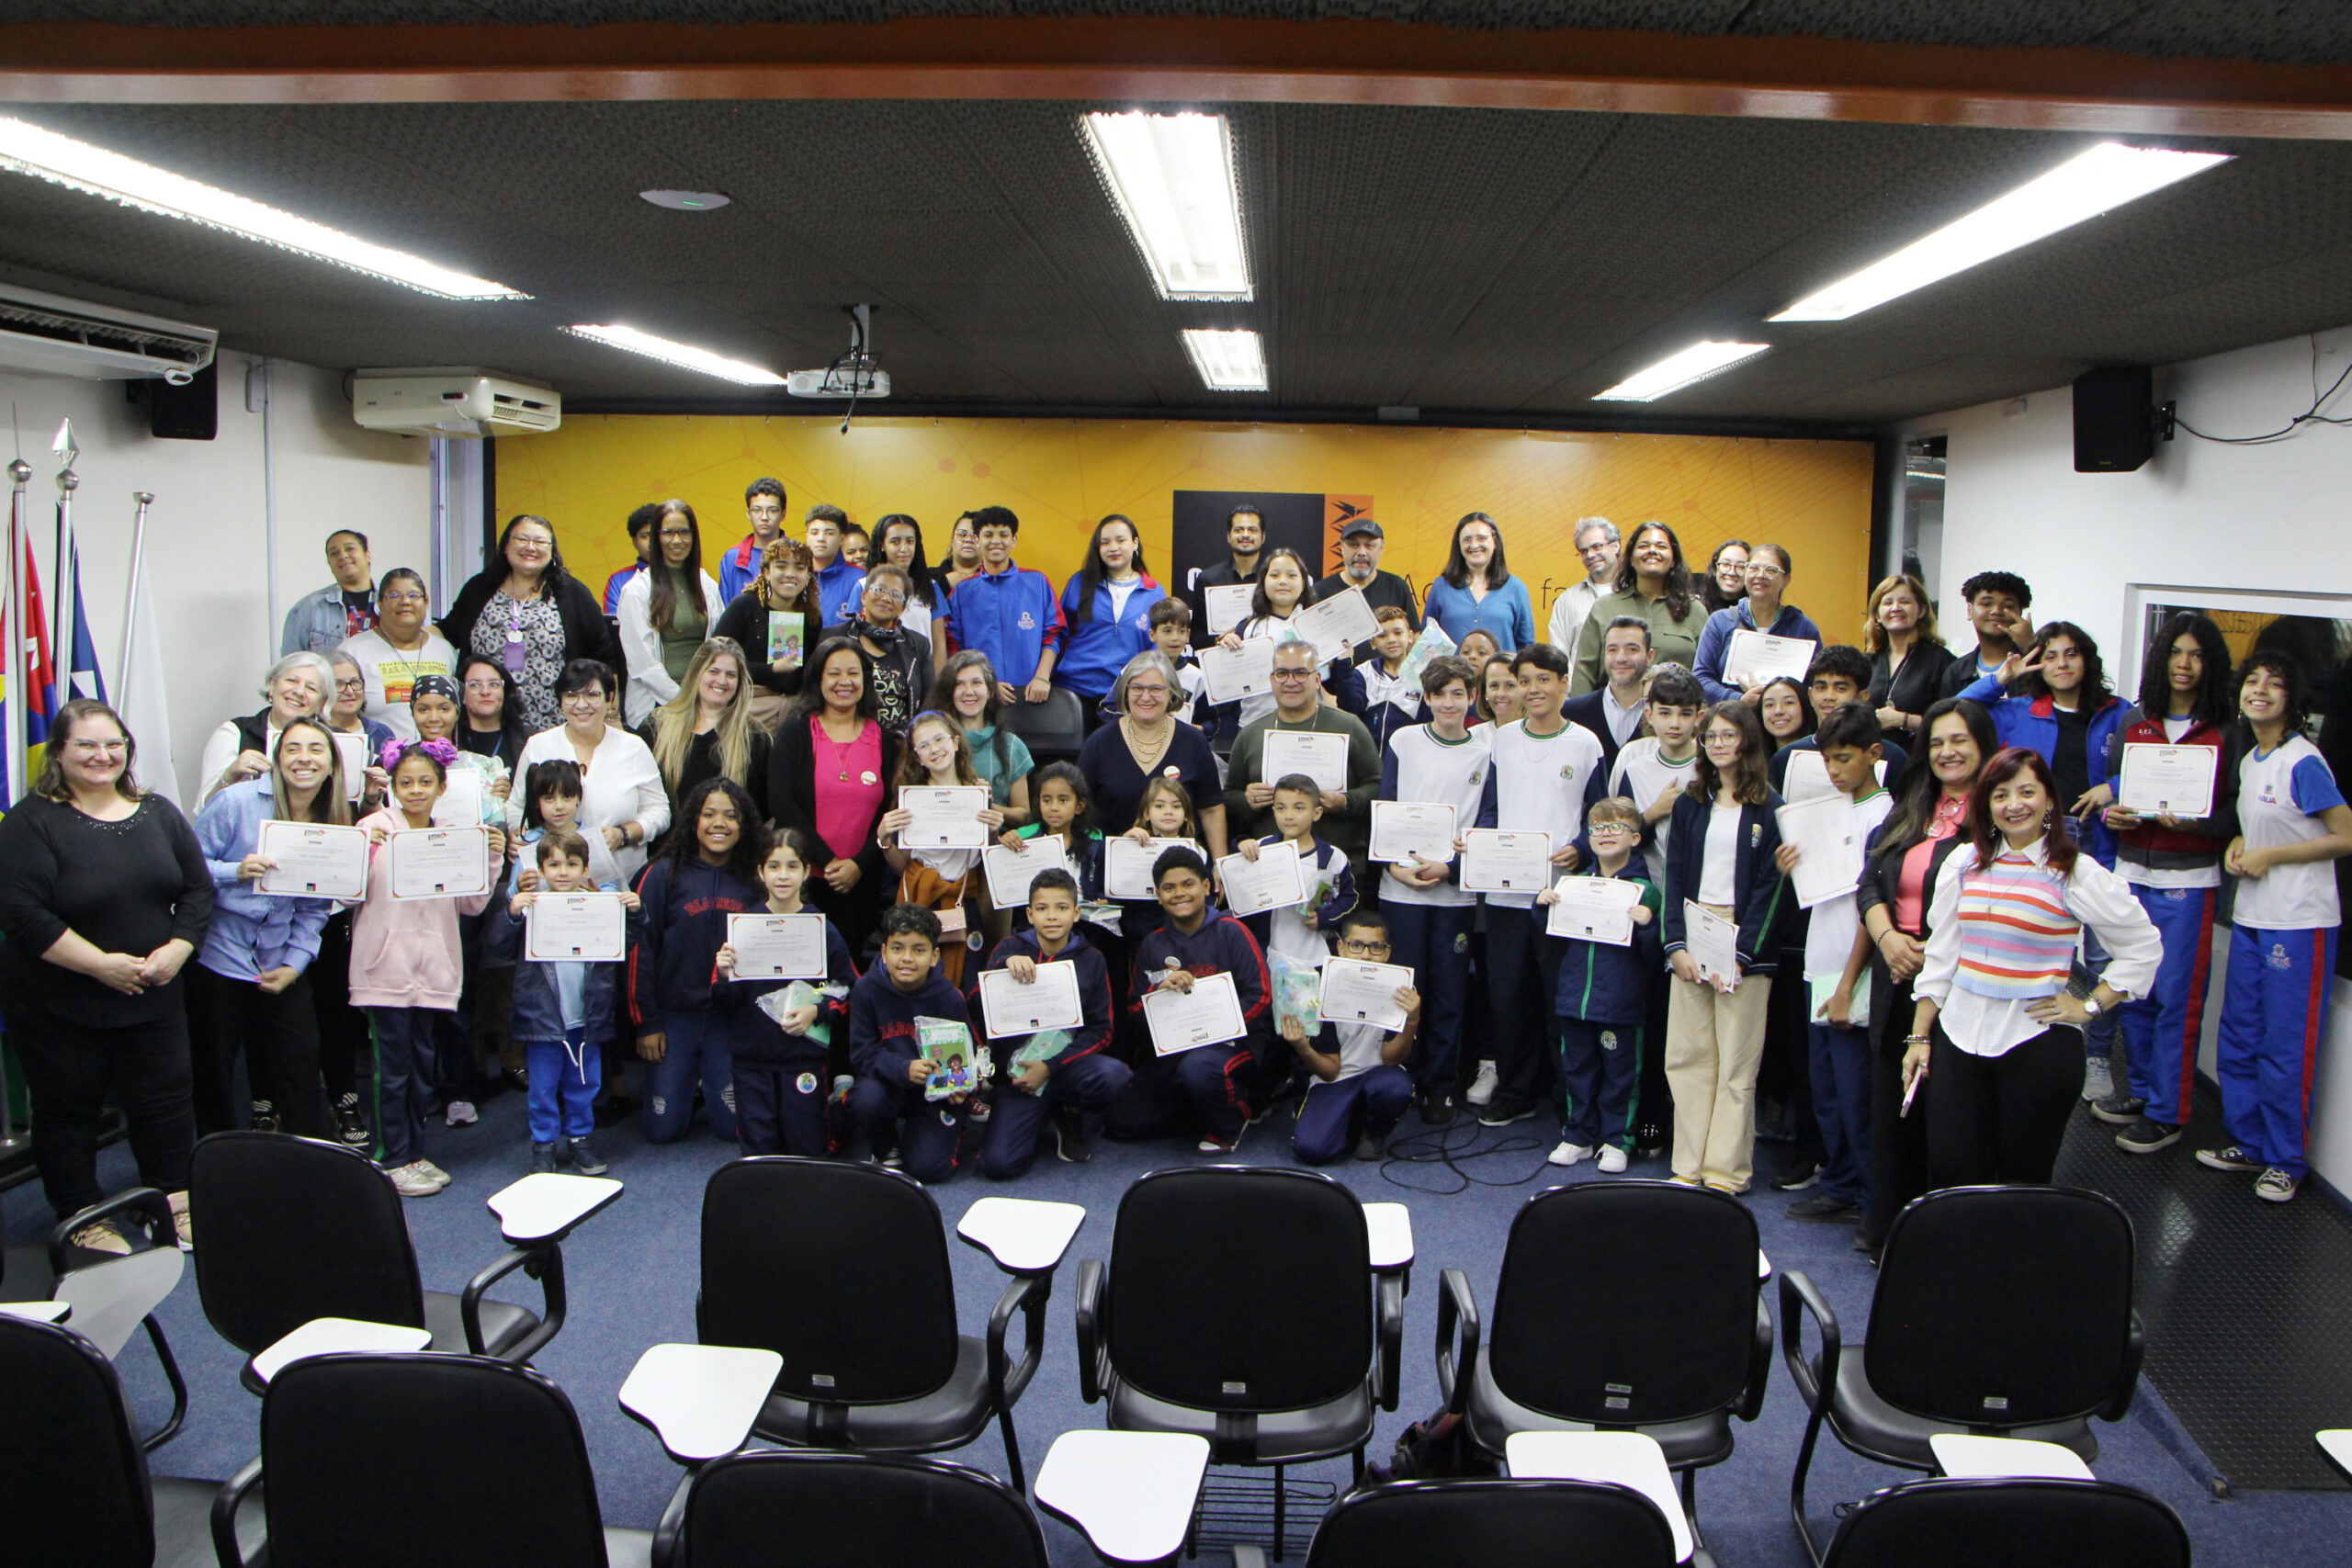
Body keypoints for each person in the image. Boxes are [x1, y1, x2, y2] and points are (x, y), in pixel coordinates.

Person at [0, 700, 209, 1249]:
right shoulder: (31, 822)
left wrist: (180, 948)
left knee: (165, 1103)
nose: (103, 755)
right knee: (68, 1110)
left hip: (154, 991)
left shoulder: (157, 812)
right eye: (87, 745)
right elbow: (22, 915)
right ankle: (82, 1216)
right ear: (60, 752)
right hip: (61, 1002)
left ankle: (171, 1202)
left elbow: (197, 889)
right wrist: (102, 967)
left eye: (113, 743)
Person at [1904, 748, 2161, 1188]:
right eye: (2001, 794)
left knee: (2024, 1181)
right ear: (1986, 804)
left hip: (2036, 1046)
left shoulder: (2074, 872)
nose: (2014, 804)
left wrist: (2089, 1007)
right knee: (1952, 1171)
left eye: (2027, 792)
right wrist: (1919, 1037)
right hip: (1959, 1039)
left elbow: (2143, 946)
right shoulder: (1964, 864)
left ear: (2048, 801)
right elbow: (1942, 957)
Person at [2202, 651, 2352, 1202]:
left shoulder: (2302, 760)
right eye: (2252, 681)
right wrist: (2242, 844)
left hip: (2299, 921)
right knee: (2239, 1033)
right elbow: (2255, 827)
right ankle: (2251, 1143)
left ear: (2294, 700)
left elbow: (2346, 834)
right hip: (2252, 916)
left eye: (2274, 684)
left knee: (2284, 1044)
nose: (2259, 690)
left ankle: (2287, 1160)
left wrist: (2277, 856)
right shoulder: (2254, 758)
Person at [2088, 611, 2239, 1150]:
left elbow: (2234, 815)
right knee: (2134, 990)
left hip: (2190, 880)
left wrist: (2199, 823)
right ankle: (2147, 1091)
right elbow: (2118, 799)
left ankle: (2170, 1111)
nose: (2185, 664)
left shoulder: (2226, 729)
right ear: (2160, 660)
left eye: (2197, 655)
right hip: (2132, 870)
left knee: (2176, 996)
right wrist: (2116, 817)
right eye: (2176, 652)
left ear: (2211, 664)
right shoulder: (2137, 722)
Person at [1854, 697, 1996, 1257]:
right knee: (1892, 1106)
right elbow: (1869, 882)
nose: (1946, 752)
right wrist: (1888, 939)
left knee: (1947, 1114)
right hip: (1896, 968)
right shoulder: (1914, 803)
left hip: (1958, 981)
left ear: (1983, 745)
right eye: (1937, 742)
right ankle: (1890, 1226)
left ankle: (1942, 1240)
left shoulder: (1995, 812)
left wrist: (1929, 953)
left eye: (1959, 740)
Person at [350, 738, 505, 1198]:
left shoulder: (454, 835)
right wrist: (366, 850)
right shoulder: (375, 827)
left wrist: (492, 856)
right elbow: (345, 896)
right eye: (406, 783)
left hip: (433, 972)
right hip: (384, 972)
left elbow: (474, 904)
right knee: (390, 1069)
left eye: (425, 782)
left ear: (441, 787)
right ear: (393, 786)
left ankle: (415, 1154)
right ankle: (389, 1159)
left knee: (421, 1067)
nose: (415, 790)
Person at [1469, 641, 1609, 1129]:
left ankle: (1568, 1097)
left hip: (1563, 896)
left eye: (1543, 680)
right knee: (1508, 999)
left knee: (1559, 1001)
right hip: (1506, 893)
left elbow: (1600, 817)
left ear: (1564, 684)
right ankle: (1515, 1092)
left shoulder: (1586, 743)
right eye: (1524, 681)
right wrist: (1480, 844)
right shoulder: (1501, 740)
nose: (1533, 690)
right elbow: (1490, 808)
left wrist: (1583, 850)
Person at [1659, 701, 1790, 1193]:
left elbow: (1771, 889)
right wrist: (1676, 945)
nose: (1717, 744)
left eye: (1728, 735)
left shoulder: (1771, 808)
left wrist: (1743, 954)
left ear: (1748, 742)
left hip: (1743, 940)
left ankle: (1725, 1171)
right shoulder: (1690, 802)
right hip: (1694, 930)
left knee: (1736, 1062)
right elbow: (1673, 876)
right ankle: (1688, 1165)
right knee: (1688, 1056)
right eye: (1710, 735)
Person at [1775, 702, 1894, 1224]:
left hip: (1857, 971)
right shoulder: (1830, 809)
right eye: (1827, 760)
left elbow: (1876, 910)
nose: (1834, 770)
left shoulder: (1888, 816)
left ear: (1874, 754)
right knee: (1827, 1092)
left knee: (1858, 1096)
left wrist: (1849, 983)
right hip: (1818, 960)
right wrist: (1790, 869)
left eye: (1844, 759)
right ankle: (1842, 1183)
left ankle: (1874, 1202)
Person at [486, 827, 639, 1175]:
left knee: (584, 1083)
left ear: (586, 869)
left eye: (572, 864)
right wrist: (511, 912)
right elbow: (495, 946)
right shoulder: (531, 908)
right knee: (542, 1087)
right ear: (541, 870)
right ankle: (543, 1144)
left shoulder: (600, 905)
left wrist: (634, 911)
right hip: (543, 1020)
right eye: (554, 865)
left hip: (587, 1018)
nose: (563, 872)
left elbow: (629, 943)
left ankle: (580, 1138)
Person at [1376, 654, 1488, 1125]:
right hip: (1400, 890)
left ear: (1472, 698)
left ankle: (1439, 1087)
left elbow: (1488, 819)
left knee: (1448, 993)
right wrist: (1395, 866)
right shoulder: (1403, 740)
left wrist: (1454, 865)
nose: (1448, 702)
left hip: (1454, 893)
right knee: (1403, 990)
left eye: (1458, 694)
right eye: (1439, 694)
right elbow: (1385, 804)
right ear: (1426, 697)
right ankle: (1400, 1079)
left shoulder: (1486, 750)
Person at [1104, 847, 1272, 1153]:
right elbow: (1134, 1008)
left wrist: (1218, 1029)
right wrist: (1159, 993)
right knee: (1121, 1123)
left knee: (1199, 1069)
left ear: (1206, 887)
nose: (1179, 893)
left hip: (1236, 1044)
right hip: (1176, 1045)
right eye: (1169, 888)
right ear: (1158, 895)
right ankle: (1201, 1105)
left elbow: (1261, 995)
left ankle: (1234, 1118)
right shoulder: (1153, 944)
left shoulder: (1231, 931)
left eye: (1188, 884)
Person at [626, 777, 764, 1145]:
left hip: (729, 1019)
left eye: (731, 816)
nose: (719, 823)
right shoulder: (661, 874)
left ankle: (707, 1080)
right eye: (709, 814)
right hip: (674, 1017)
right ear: (693, 820)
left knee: (731, 1129)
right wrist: (646, 1024)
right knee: (663, 1130)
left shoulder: (756, 878)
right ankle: (687, 1081)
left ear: (744, 824)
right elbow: (640, 950)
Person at [969, 868, 1133, 1175]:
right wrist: (1003, 969)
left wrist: (1051, 1067)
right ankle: (1038, 1113)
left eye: (1061, 908)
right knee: (998, 1165)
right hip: (1019, 1075)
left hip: (1066, 1067)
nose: (1052, 917)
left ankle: (1069, 1112)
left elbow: (1102, 1030)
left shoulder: (1092, 959)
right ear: (1029, 915)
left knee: (1113, 1075)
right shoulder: (1008, 948)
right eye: (1042, 909)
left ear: (1077, 912)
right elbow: (976, 1006)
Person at [712, 826, 857, 1157]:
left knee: (807, 1149)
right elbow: (723, 1004)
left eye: (792, 866)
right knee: (759, 1150)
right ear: (760, 872)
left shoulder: (821, 928)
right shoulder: (742, 928)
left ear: (807, 872)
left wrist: (816, 1011)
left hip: (802, 1059)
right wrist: (723, 976)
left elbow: (849, 989)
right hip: (752, 1061)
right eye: (774, 866)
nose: (783, 876)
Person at [1534, 795, 1661, 1171]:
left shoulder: (1644, 890)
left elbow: (1654, 955)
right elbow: (1551, 938)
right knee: (1577, 1070)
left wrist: (1648, 926)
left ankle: (1618, 1140)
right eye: (1598, 828)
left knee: (1621, 1075)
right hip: (1575, 997)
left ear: (1636, 838)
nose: (1606, 834)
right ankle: (1578, 1136)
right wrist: (1542, 906)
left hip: (1619, 1002)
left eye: (1617, 827)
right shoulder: (1573, 884)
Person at [1957, 622, 2125, 864]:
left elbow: (2148, 768)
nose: (2062, 664)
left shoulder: (2117, 711)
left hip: (2101, 835)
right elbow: (1958, 710)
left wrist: (2113, 788)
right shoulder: (2020, 710)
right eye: (2051, 656)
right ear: (2038, 665)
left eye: (2071, 654)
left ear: (2087, 660)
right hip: (2035, 832)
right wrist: (2001, 678)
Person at [772, 637, 904, 942]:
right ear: (818, 678)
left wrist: (858, 865)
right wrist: (829, 862)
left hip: (861, 881)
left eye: (853, 673)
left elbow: (888, 812)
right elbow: (782, 803)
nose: (844, 682)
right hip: (803, 880)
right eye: (834, 673)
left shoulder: (883, 739)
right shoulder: (796, 731)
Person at [441, 514, 622, 735]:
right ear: (506, 546)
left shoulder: (573, 593)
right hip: (486, 723)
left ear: (552, 550)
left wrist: (611, 715)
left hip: (554, 724)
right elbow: (447, 632)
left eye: (540, 542)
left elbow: (604, 658)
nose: (531, 547)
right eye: (522, 539)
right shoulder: (479, 588)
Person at [1226, 638, 1380, 875]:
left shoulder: (1349, 726)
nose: (1290, 682)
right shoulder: (1251, 734)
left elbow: (1378, 787)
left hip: (1338, 869)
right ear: (1271, 679)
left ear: (1317, 680)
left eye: (1300, 673)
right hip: (1269, 867)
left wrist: (1346, 802)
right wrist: (1247, 799)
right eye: (1282, 673)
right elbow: (1229, 796)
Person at [847, 903, 978, 1177]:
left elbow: (967, 1052)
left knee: (929, 1169)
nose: (907, 958)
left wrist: (961, 1086)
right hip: (888, 1082)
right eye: (897, 948)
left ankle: (946, 1130)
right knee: (865, 1098)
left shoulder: (948, 996)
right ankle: (885, 1146)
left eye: (918, 950)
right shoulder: (865, 989)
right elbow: (862, 1053)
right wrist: (904, 1068)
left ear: (934, 956)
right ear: (883, 952)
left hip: (933, 1091)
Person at [514, 660, 670, 885]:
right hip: (550, 884)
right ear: (560, 701)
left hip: (621, 880)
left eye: (592, 695)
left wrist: (623, 835)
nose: (581, 704)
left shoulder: (633, 747)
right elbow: (516, 806)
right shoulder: (538, 745)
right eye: (571, 695)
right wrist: (520, 838)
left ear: (609, 699)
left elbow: (659, 810)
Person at [1283, 908, 1419, 1164]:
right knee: (1312, 1151)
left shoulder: (1401, 988)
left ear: (1387, 952)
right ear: (1341, 948)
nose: (1366, 956)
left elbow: (1391, 1059)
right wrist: (1303, 1048)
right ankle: (1349, 1119)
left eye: (1376, 948)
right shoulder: (1318, 990)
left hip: (1379, 1075)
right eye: (1356, 946)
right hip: (1334, 1080)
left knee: (1396, 1088)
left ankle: (1372, 1131)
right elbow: (1330, 1072)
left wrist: (1412, 1020)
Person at [879, 713, 1006, 984]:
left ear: (956, 743)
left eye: (940, 739)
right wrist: (884, 838)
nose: (934, 749)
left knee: (968, 982)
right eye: (924, 746)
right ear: (917, 757)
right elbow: (904, 867)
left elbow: (990, 858)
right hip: (921, 898)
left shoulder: (978, 792)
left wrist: (994, 829)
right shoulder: (910, 798)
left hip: (964, 900)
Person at [1078, 650, 1230, 864]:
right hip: (1115, 868)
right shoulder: (1099, 743)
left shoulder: (1193, 742)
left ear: (1172, 694)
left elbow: (1211, 809)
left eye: (1156, 689)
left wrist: (1219, 865)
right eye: (1137, 688)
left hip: (1182, 870)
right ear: (1125, 692)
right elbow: (1081, 812)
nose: (1146, 697)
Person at [640, 637, 772, 837]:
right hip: (667, 851)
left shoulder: (755, 737)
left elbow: (761, 807)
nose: (721, 681)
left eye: (731, 675)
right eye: (714, 671)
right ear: (696, 674)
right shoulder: (657, 726)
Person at [1233, 773, 1358, 971]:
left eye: (1299, 808)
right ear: (1273, 810)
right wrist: (1240, 844)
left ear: (1316, 813)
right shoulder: (1259, 849)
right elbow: (1234, 879)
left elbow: (1349, 899)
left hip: (1314, 958)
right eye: (1281, 808)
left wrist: (1325, 918)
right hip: (1268, 956)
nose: (1288, 816)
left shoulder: (1332, 857)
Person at [938, 504, 1061, 702]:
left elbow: (1053, 634)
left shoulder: (1037, 582)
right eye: (988, 535)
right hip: (980, 700)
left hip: (1032, 696)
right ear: (977, 541)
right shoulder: (961, 592)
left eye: (1003, 535)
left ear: (1014, 540)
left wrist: (1042, 677)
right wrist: (984, 685)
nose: (996, 541)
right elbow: (954, 647)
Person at [616, 500, 722, 726]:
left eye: (684, 532)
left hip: (707, 700)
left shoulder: (707, 583)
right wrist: (685, 701)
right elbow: (642, 664)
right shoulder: (636, 590)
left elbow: (720, 643)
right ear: (656, 537)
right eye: (668, 533)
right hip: (659, 706)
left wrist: (706, 697)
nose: (677, 540)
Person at [1056, 513, 1166, 728]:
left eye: (1120, 540)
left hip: (1124, 698)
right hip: (1073, 690)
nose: (1113, 548)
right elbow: (1060, 633)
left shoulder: (1154, 591)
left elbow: (1154, 650)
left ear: (1135, 543)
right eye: (1105, 542)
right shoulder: (1080, 582)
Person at [1574, 521, 1709, 694]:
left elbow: (1705, 675)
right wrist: (1581, 717)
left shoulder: (1695, 611)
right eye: (1644, 546)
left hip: (1673, 716)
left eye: (1661, 546)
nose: (1652, 550)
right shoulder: (1604, 607)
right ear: (1630, 558)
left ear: (1674, 559)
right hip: (1614, 715)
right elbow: (1585, 671)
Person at [712, 536, 821, 732]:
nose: (790, 574)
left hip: (794, 711)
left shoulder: (812, 617)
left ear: (808, 575)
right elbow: (716, 660)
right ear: (766, 572)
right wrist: (772, 669)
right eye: (781, 566)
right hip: (746, 706)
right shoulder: (744, 606)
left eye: (799, 567)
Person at [1769, 647, 1909, 798]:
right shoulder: (1785, 758)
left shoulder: (1893, 758)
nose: (1829, 696)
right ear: (1810, 696)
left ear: (1862, 697)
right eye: (1821, 687)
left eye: (1841, 688)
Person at [198, 651, 334, 808]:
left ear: (322, 702)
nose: (299, 691)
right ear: (272, 685)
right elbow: (205, 810)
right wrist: (231, 774)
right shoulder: (235, 733)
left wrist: (369, 800)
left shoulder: (336, 741)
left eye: (311, 688)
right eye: (291, 681)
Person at [1611, 664, 1707, 884]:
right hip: (1651, 891)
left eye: (1685, 714)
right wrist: (1653, 813)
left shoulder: (1711, 766)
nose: (1675, 723)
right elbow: (1621, 838)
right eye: (1665, 713)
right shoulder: (1635, 770)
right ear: (1650, 715)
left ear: (1698, 717)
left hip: (1704, 890)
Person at [335, 568, 457, 741]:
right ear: (380, 603)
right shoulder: (353, 651)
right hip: (378, 762)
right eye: (394, 595)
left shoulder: (444, 651)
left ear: (426, 601)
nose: (405, 601)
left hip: (438, 762)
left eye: (414, 595)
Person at [1693, 545, 1823, 704]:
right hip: (1731, 720)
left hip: (1785, 722)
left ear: (1786, 580)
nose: (1760, 575)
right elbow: (1701, 677)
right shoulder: (1720, 621)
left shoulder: (1803, 628)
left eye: (1771, 570)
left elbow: (1816, 684)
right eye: (1753, 568)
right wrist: (1738, 699)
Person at [1218, 547, 1327, 730]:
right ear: (1263, 581)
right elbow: (1228, 685)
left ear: (1304, 582)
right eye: (1274, 575)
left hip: (1311, 727)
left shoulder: (1318, 625)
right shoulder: (1247, 627)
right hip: (1255, 725)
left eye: (1291, 576)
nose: (1283, 582)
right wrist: (1223, 648)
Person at [934, 650, 1035, 830]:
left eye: (976, 683)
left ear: (990, 690)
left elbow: (1024, 815)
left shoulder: (1011, 745)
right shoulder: (934, 743)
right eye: (959, 684)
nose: (968, 691)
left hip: (996, 846)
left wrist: (986, 806)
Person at [1421, 511, 1534, 653]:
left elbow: (1526, 647)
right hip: (1452, 675)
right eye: (1467, 539)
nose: (1474, 545)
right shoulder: (1441, 586)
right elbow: (1427, 643)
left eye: (1481, 538)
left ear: (1495, 542)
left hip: (1500, 675)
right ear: (1459, 545)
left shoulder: (1516, 588)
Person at [1865, 572, 1955, 742]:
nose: (1896, 608)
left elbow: (1955, 720)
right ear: (1877, 615)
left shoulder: (1942, 661)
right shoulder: (1868, 661)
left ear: (1921, 610)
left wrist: (1905, 720)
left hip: (1919, 759)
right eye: (1887, 602)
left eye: (1905, 601)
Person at [846, 564, 934, 737]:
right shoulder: (837, 638)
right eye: (879, 590)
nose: (886, 598)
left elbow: (928, 702)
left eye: (895, 595)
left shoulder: (918, 645)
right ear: (863, 596)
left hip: (900, 746)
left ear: (902, 608)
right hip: (849, 741)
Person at [1560, 614, 1651, 778]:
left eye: (1632, 649)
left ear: (1650, 656)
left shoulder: (1664, 716)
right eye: (1612, 650)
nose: (1621, 658)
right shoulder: (1573, 713)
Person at [1935, 570, 2033, 701]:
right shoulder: (1956, 672)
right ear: (1970, 610)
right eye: (1987, 604)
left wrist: (2031, 645)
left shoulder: (2035, 664)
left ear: (2020, 612)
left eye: (2008, 606)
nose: (1997, 611)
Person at [282, 528, 378, 654]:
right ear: (330, 564)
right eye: (334, 553)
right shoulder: (308, 608)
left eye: (350, 548)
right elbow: (292, 664)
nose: (342, 556)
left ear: (367, 555)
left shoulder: (393, 598)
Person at [1314, 516, 1420, 630]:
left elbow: (1413, 636)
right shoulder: (1320, 592)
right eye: (1354, 545)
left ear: (1381, 549)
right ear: (1342, 548)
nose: (1361, 552)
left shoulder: (1396, 586)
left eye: (1369, 546)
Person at [1185, 503, 1267, 649]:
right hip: (1223, 662)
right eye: (1239, 530)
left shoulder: (1272, 579)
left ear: (1263, 537)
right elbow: (1196, 637)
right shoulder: (1208, 579)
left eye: (1252, 530)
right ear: (1229, 536)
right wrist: (1218, 640)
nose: (1245, 535)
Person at [322, 650, 395, 810]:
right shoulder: (313, 733)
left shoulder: (381, 734)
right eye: (338, 684)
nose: (349, 691)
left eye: (355, 682)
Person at [1544, 518, 1623, 658]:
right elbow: (1559, 657)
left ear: (1616, 546)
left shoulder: (1639, 592)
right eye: (1584, 551)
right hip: (1580, 680)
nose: (1591, 555)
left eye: (1597, 546)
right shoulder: (1567, 600)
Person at [718, 478, 789, 603]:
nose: (764, 517)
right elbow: (724, 609)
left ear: (783, 514)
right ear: (748, 514)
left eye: (772, 511)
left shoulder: (797, 556)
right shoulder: (732, 558)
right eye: (757, 510)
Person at [455, 652, 530, 771]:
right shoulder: (450, 740)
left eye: (494, 684)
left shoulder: (529, 740)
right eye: (475, 685)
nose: (485, 692)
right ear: (462, 694)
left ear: (504, 691)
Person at [874, 513, 941, 644]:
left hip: (922, 663)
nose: (904, 549)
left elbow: (939, 644)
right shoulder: (864, 586)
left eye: (910, 541)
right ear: (882, 545)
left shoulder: (930, 587)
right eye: (895, 542)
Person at [803, 504, 868, 626]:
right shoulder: (796, 576)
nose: (821, 539)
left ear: (842, 538)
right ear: (807, 537)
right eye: (814, 533)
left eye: (829, 533)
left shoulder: (859, 578)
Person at [603, 503, 662, 616]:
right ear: (635, 542)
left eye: (656, 535)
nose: (651, 543)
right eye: (645, 536)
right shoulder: (618, 581)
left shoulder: (685, 575)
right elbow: (616, 625)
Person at [1699, 539, 1750, 616]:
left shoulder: (1757, 613)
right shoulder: (1698, 608)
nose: (1732, 572)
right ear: (1714, 569)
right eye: (1725, 564)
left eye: (1740, 566)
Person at [939, 511, 984, 597]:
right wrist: (943, 582)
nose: (969, 539)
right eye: (962, 534)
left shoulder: (996, 582)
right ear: (952, 540)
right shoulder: (929, 578)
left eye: (976, 535)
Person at [1474, 651, 1518, 730]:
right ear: (1485, 692)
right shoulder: (1474, 737)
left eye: (1510, 685)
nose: (1501, 694)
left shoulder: (1542, 736)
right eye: (1494, 686)